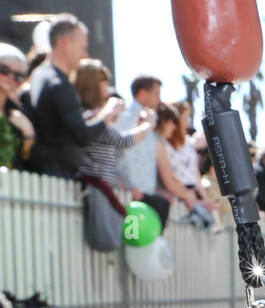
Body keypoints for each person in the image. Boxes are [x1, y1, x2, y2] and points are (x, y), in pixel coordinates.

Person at [24, 15, 121, 178]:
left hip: (41, 174)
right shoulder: (60, 84)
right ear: (65, 43)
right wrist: (108, 112)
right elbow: (82, 136)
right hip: (56, 177)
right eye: (82, 48)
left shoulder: (38, 75)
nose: (85, 54)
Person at [74, 59, 154, 209]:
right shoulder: (91, 117)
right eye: (103, 87)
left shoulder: (93, 117)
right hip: (97, 187)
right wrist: (147, 125)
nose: (107, 92)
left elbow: (118, 150)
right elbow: (125, 141)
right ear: (93, 88)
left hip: (104, 188)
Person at [116, 76, 172, 229]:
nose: (159, 101)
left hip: (145, 197)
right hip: (131, 197)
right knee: (134, 242)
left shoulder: (148, 124)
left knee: (148, 244)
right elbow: (119, 154)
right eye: (156, 94)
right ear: (142, 94)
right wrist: (129, 185)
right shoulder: (125, 120)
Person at [153, 105, 200, 217]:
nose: (174, 126)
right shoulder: (158, 143)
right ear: (165, 122)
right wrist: (189, 197)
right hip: (161, 201)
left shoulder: (160, 142)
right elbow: (169, 180)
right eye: (174, 121)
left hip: (172, 200)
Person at [0, 43, 36, 169]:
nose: (10, 78)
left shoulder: (18, 112)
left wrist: (29, 134)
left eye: (17, 76)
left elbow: (25, 160)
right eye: (4, 70)